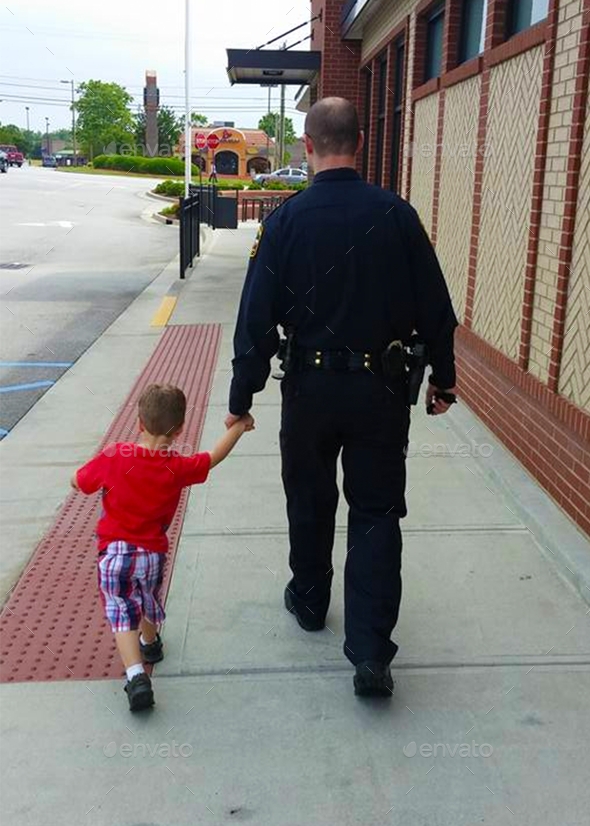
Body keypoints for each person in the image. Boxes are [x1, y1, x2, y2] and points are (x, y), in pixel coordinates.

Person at [227, 96, 458, 698]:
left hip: (309, 390)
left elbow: (255, 320)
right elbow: (438, 310)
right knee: (377, 513)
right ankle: (372, 654)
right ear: (358, 141)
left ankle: (309, 602)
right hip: (380, 390)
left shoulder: (285, 223)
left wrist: (241, 394)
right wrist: (444, 379)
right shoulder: (398, 215)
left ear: (307, 146)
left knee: (309, 498)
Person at [73, 384, 253, 711]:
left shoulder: (114, 456)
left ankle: (136, 675)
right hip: (152, 554)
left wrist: (75, 478)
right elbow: (213, 458)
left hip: (114, 553)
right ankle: (151, 643)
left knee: (121, 609)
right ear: (181, 428)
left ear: (139, 423)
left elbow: (81, 481)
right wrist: (239, 427)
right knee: (146, 597)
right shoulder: (176, 467)